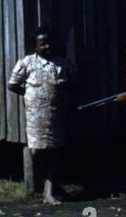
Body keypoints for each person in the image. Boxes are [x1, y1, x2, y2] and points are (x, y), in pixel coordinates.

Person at [8, 26, 76, 205]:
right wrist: (30, 94)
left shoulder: (63, 63)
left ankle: (49, 190)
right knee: (37, 150)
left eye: (49, 43)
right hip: (35, 114)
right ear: (35, 46)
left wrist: (64, 85)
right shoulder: (27, 63)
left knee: (55, 150)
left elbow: (74, 83)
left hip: (56, 113)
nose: (47, 47)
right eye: (42, 44)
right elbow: (13, 84)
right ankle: (48, 186)